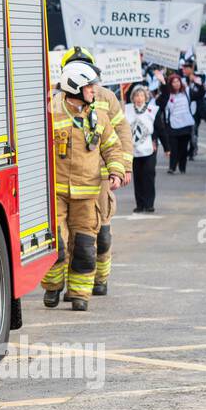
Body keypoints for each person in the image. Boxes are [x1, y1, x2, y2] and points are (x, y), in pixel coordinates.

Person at [42, 61, 125, 312]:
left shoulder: (98, 117)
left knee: (85, 247)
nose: (93, 91)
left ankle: (79, 294)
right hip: (55, 193)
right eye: (89, 86)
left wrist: (116, 171)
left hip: (87, 195)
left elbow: (113, 147)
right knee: (56, 245)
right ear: (75, 87)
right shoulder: (51, 113)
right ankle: (52, 286)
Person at [59, 47, 132, 297]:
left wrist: (124, 167)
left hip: (99, 178)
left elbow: (120, 132)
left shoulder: (107, 98)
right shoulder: (55, 103)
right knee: (67, 237)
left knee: (100, 235)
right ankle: (75, 285)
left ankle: (99, 278)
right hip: (64, 178)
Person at [125, 83, 159, 213]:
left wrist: (166, 147)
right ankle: (140, 204)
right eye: (136, 96)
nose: (139, 98)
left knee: (148, 176)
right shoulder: (126, 109)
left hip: (149, 149)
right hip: (133, 150)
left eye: (141, 95)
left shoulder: (152, 110)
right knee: (138, 178)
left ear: (146, 97)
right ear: (133, 98)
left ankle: (149, 203)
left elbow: (159, 128)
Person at [157, 72, 195, 174]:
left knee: (183, 148)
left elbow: (199, 95)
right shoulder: (167, 95)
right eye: (174, 82)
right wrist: (162, 82)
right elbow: (160, 103)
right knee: (173, 148)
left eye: (178, 81)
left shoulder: (186, 91)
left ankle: (182, 167)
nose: (177, 84)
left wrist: (198, 84)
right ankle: (172, 167)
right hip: (172, 125)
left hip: (186, 124)